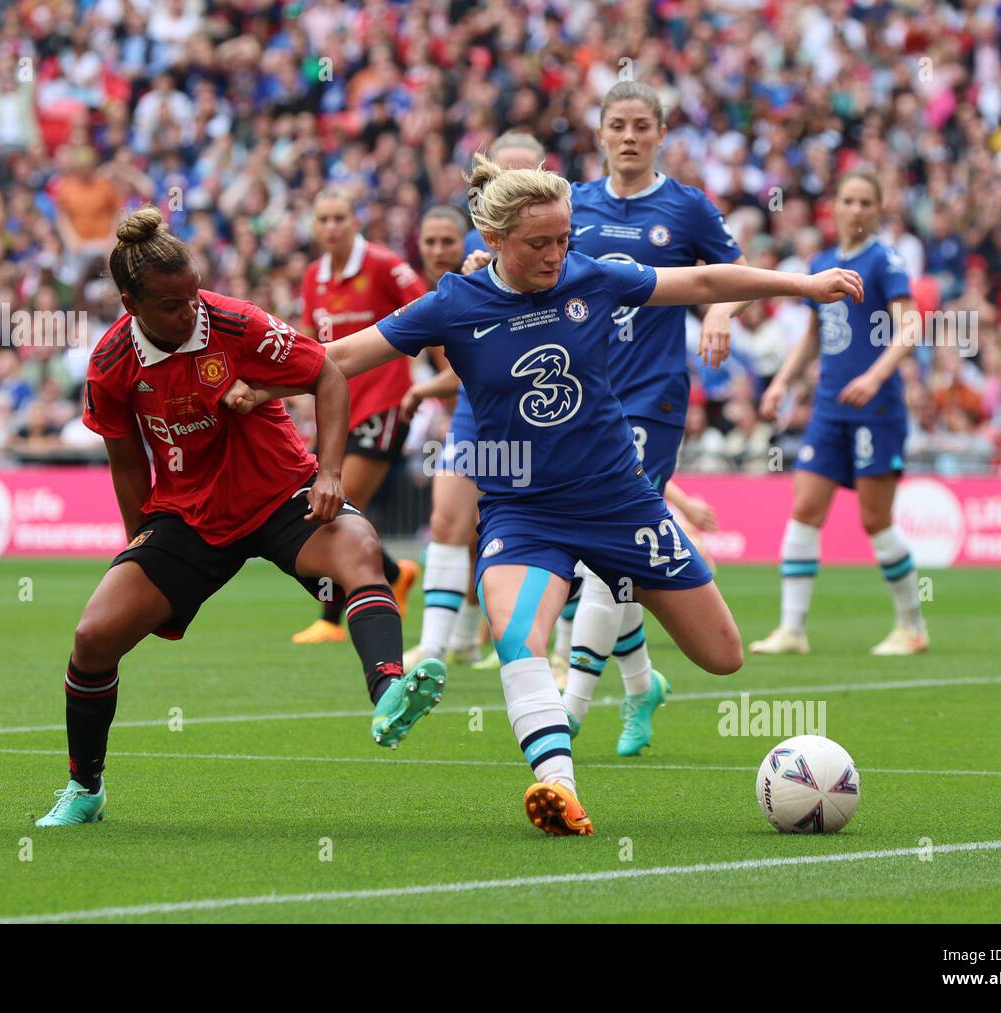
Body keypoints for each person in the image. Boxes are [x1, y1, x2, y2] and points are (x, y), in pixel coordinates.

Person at [227, 157, 861, 835]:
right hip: (524, 514)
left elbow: (702, 279)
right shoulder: (454, 302)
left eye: (563, 238)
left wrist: (803, 283)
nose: (557, 253)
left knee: (724, 654)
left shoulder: (591, 274)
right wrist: (266, 385)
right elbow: (342, 356)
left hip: (622, 502)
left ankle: (631, 627)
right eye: (540, 243)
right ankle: (558, 786)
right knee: (519, 638)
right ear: (494, 241)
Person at [33, 206, 444, 828]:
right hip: (187, 516)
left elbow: (328, 377)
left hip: (279, 492)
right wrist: (136, 540)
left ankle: (388, 689)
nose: (189, 310)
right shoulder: (111, 364)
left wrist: (329, 473)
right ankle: (85, 787)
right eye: (171, 304)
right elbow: (124, 460)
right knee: (93, 639)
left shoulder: (237, 322)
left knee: (359, 548)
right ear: (130, 303)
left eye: (193, 293)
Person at [559, 81, 751, 756]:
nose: (631, 135)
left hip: (653, 396)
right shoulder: (574, 204)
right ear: (602, 133)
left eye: (643, 124)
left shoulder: (687, 207)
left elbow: (731, 272)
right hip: (582, 392)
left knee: (608, 541)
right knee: (620, 554)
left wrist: (722, 313)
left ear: (662, 133)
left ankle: (570, 706)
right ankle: (641, 683)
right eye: (619, 124)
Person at [751, 168, 928, 657]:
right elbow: (814, 333)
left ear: (878, 209)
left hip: (876, 408)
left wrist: (875, 376)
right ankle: (792, 630)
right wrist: (783, 383)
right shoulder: (824, 262)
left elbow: (910, 326)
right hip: (828, 407)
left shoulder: (884, 261)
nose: (855, 210)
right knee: (805, 508)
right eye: (847, 200)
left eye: (864, 202)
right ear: (834, 207)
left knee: (875, 519)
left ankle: (912, 627)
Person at [400, 135, 546, 674]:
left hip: (544, 409)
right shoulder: (477, 246)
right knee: (447, 519)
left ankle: (569, 652)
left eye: (521, 170)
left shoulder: (562, 234)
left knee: (538, 527)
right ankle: (438, 647)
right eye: (500, 171)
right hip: (478, 410)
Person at [290, 187, 428, 645]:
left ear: (355, 222)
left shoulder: (386, 265)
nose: (331, 227)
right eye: (323, 219)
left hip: (385, 402)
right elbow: (309, 343)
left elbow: (431, 311)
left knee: (336, 506)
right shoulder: (313, 277)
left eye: (339, 219)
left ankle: (331, 619)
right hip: (336, 410)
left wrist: (447, 378)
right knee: (325, 505)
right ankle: (394, 573)